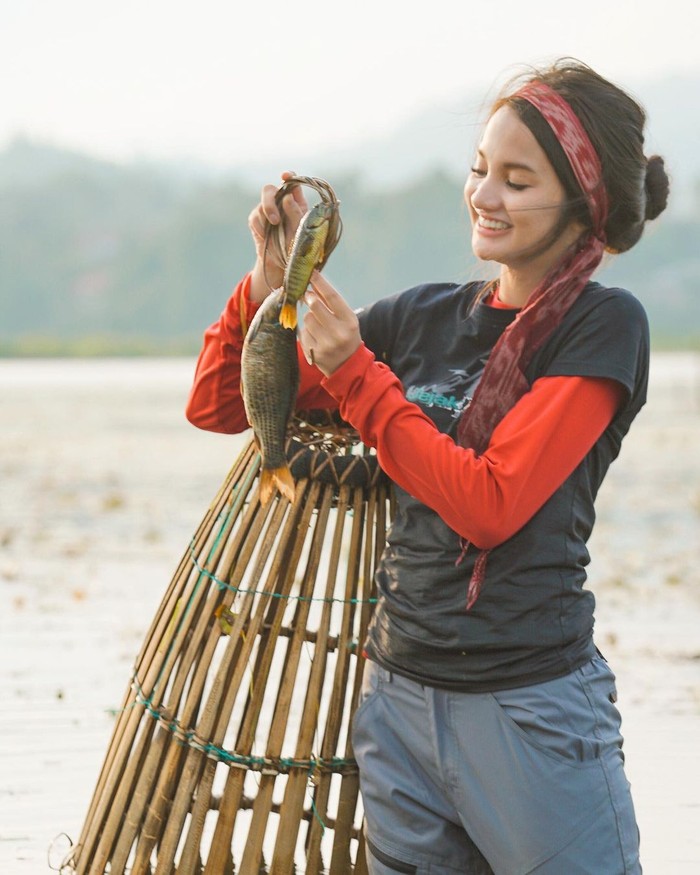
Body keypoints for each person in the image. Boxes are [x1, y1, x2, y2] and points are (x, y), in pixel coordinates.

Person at [186, 59, 669, 875]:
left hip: (528, 712)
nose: (485, 195)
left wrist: (358, 377)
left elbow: (490, 503)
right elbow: (221, 404)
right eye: (480, 169)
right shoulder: (421, 318)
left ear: (585, 206)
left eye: (517, 180)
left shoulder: (602, 326)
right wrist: (268, 281)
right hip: (400, 706)